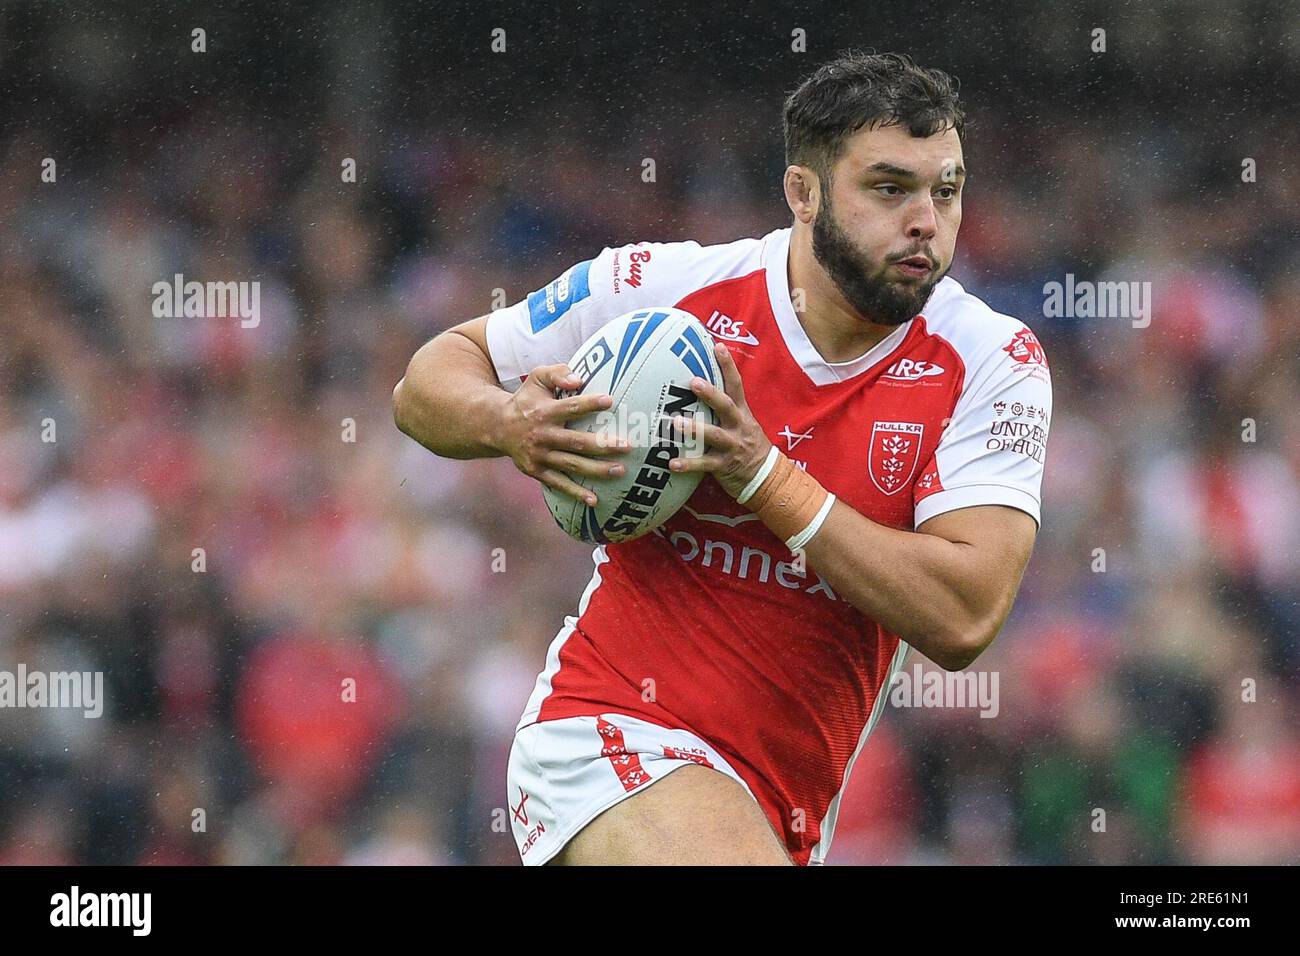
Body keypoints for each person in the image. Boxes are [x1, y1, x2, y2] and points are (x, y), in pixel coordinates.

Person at [393, 51, 1052, 865]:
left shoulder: (990, 358)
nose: (926, 219)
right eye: (889, 188)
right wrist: (509, 422)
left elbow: (963, 616)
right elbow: (424, 383)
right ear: (803, 193)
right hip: (606, 737)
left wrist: (763, 476)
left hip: (784, 804)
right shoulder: (666, 292)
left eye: (944, 191)